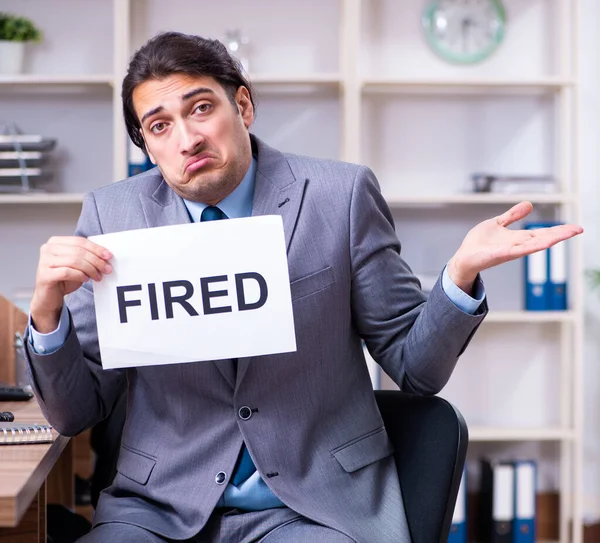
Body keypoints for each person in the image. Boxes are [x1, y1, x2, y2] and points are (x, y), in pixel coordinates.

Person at [24, 32, 582, 543]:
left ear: (241, 105)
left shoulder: (339, 196)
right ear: (147, 145)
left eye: (201, 108)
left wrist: (458, 276)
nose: (187, 138)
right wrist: (47, 313)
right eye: (160, 125)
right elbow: (76, 413)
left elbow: (415, 368)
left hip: (315, 508)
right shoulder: (112, 214)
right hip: (159, 509)